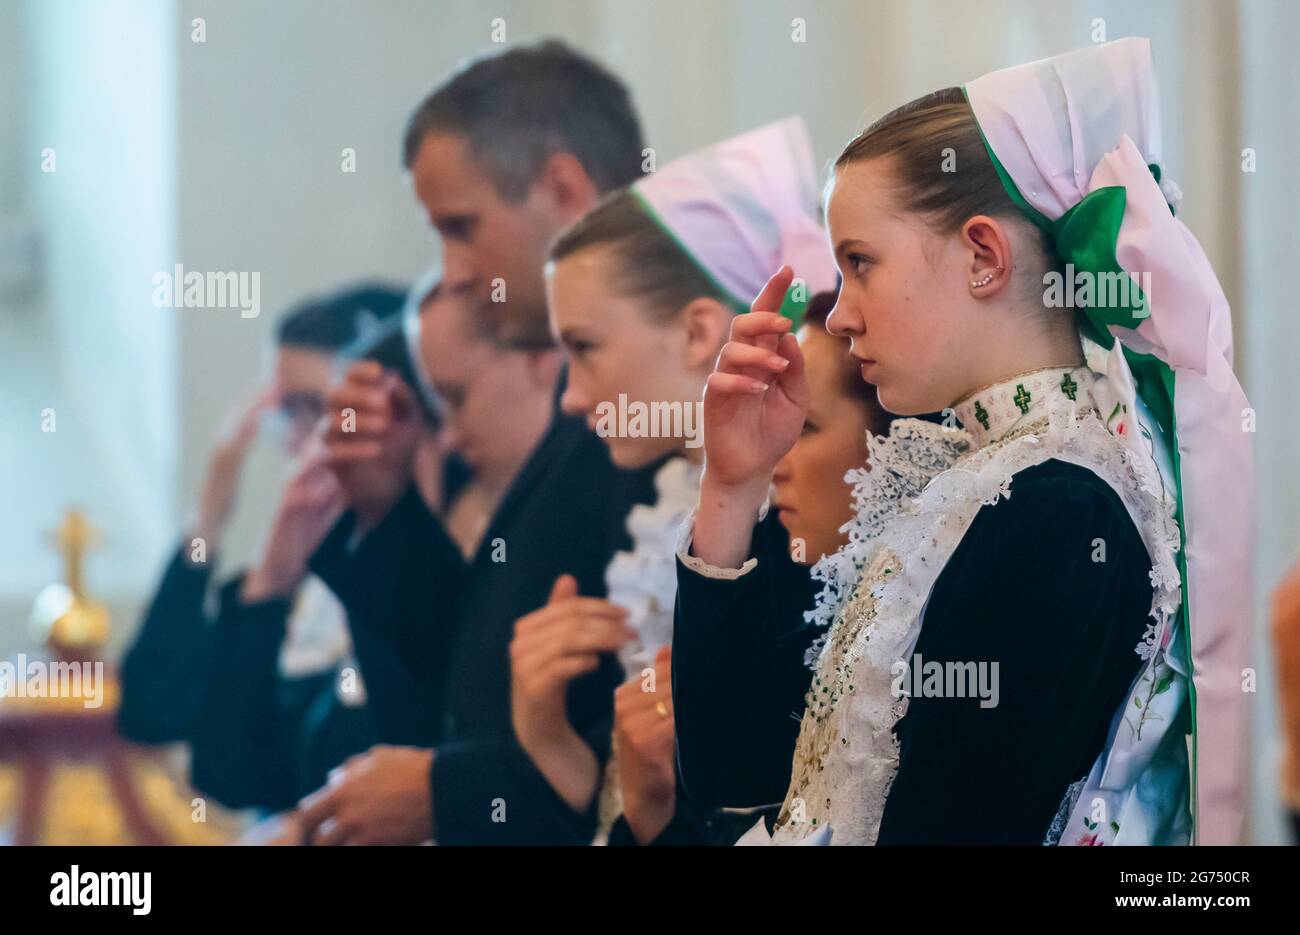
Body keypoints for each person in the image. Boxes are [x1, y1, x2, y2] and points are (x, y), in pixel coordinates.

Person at [674, 37, 1251, 845]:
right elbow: (734, 773)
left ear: (983, 256)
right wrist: (733, 488)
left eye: (861, 263)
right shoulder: (959, 477)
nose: (837, 315)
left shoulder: (1059, 510)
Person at [118, 283, 406, 811]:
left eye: (313, 408)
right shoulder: (294, 566)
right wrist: (208, 521)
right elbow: (152, 707)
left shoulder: (399, 567)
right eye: (284, 411)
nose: (296, 442)